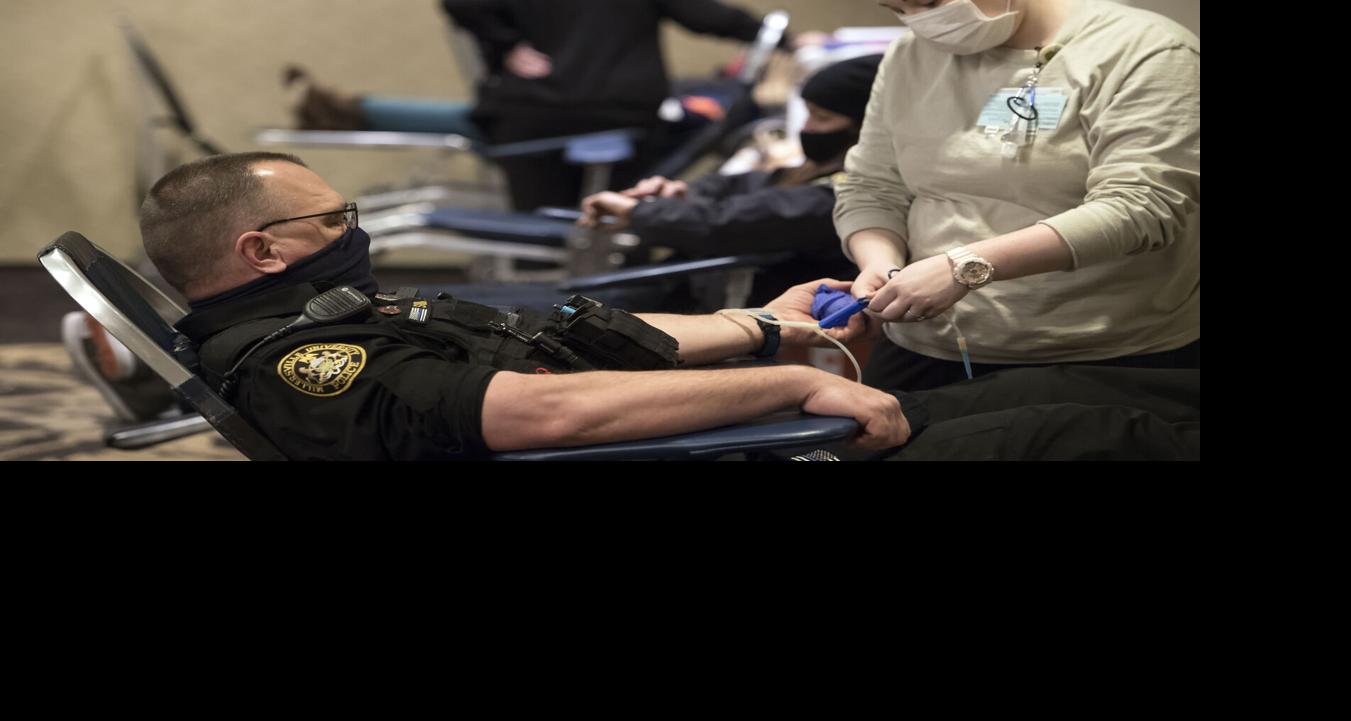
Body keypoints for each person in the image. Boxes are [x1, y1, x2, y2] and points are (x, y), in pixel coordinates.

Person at [138, 152, 1199, 460]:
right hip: (716, 447)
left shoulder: (334, 312)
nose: (353, 229)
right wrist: (787, 380)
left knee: (1080, 381)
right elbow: (545, 413)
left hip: (739, 416)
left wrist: (772, 322)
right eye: (335, 218)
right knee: (1089, 429)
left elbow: (579, 341)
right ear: (259, 248)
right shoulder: (301, 360)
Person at [834, 0, 1200, 392]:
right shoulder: (910, 55)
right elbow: (871, 185)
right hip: (925, 348)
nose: (921, 19)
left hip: (1103, 356)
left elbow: (1141, 205)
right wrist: (879, 262)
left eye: (930, 2)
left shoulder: (1148, 50)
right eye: (896, 7)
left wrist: (967, 267)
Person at [440, 0, 810, 211]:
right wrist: (787, 39)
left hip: (533, 114)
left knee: (540, 224)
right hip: (622, 112)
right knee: (623, 210)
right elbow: (704, 15)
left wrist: (506, 44)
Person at [576, 54, 885, 301]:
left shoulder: (850, 196)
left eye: (823, 118)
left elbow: (725, 222)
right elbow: (748, 185)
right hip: (703, 291)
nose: (807, 127)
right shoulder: (817, 168)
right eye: (807, 113)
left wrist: (638, 211)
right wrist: (681, 193)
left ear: (864, 127)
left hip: (744, 309)